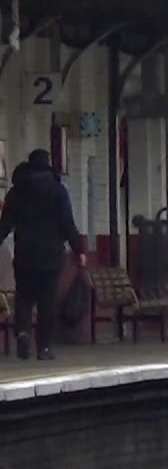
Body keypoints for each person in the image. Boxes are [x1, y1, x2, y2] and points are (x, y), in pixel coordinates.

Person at [0, 149, 86, 360]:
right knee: (47, 300)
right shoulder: (58, 191)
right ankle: (44, 347)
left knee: (24, 297)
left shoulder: (16, 192)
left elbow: (5, 224)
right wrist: (79, 249)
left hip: (24, 253)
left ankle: (22, 333)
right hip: (51, 254)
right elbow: (67, 223)